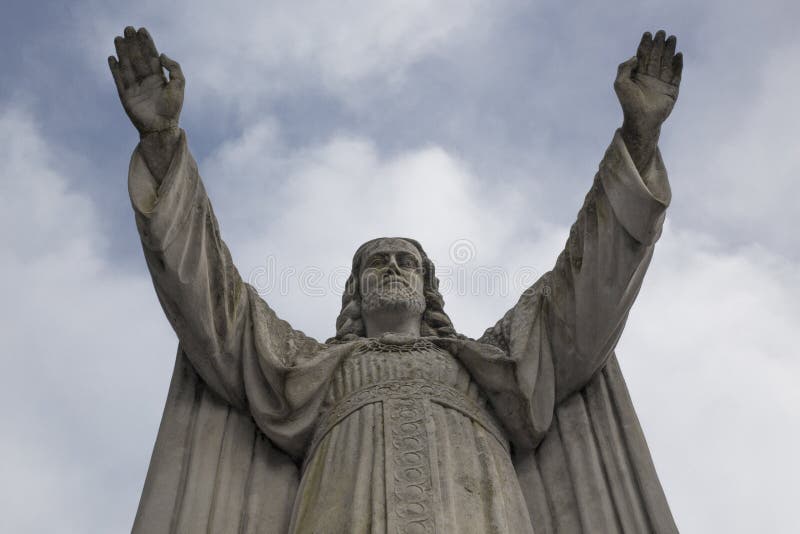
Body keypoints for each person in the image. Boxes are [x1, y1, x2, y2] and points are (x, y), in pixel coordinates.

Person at [111, 27, 681, 533]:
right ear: (355, 293)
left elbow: (586, 289)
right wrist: (161, 143)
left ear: (428, 290)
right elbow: (214, 302)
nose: (390, 267)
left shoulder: (495, 362)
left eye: (406, 262)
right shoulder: (304, 368)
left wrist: (638, 138)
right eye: (376, 262)